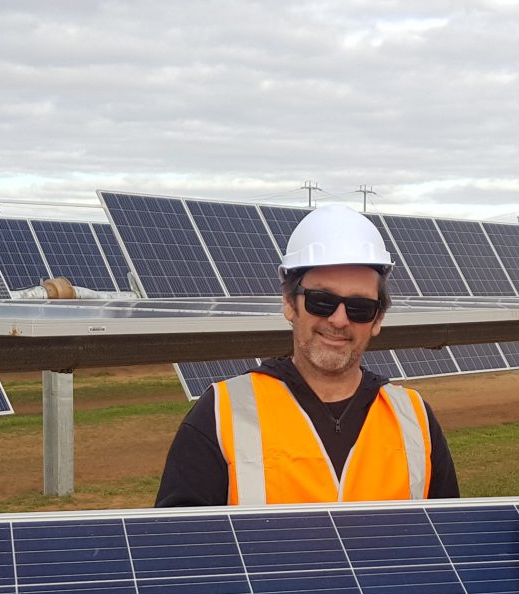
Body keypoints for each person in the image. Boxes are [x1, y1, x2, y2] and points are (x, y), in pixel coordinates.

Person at [156, 204, 458, 506]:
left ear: (377, 320)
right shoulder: (222, 414)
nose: (339, 320)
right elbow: (176, 546)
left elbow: (450, 541)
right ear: (289, 303)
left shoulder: (414, 419)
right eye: (321, 300)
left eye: (360, 307)